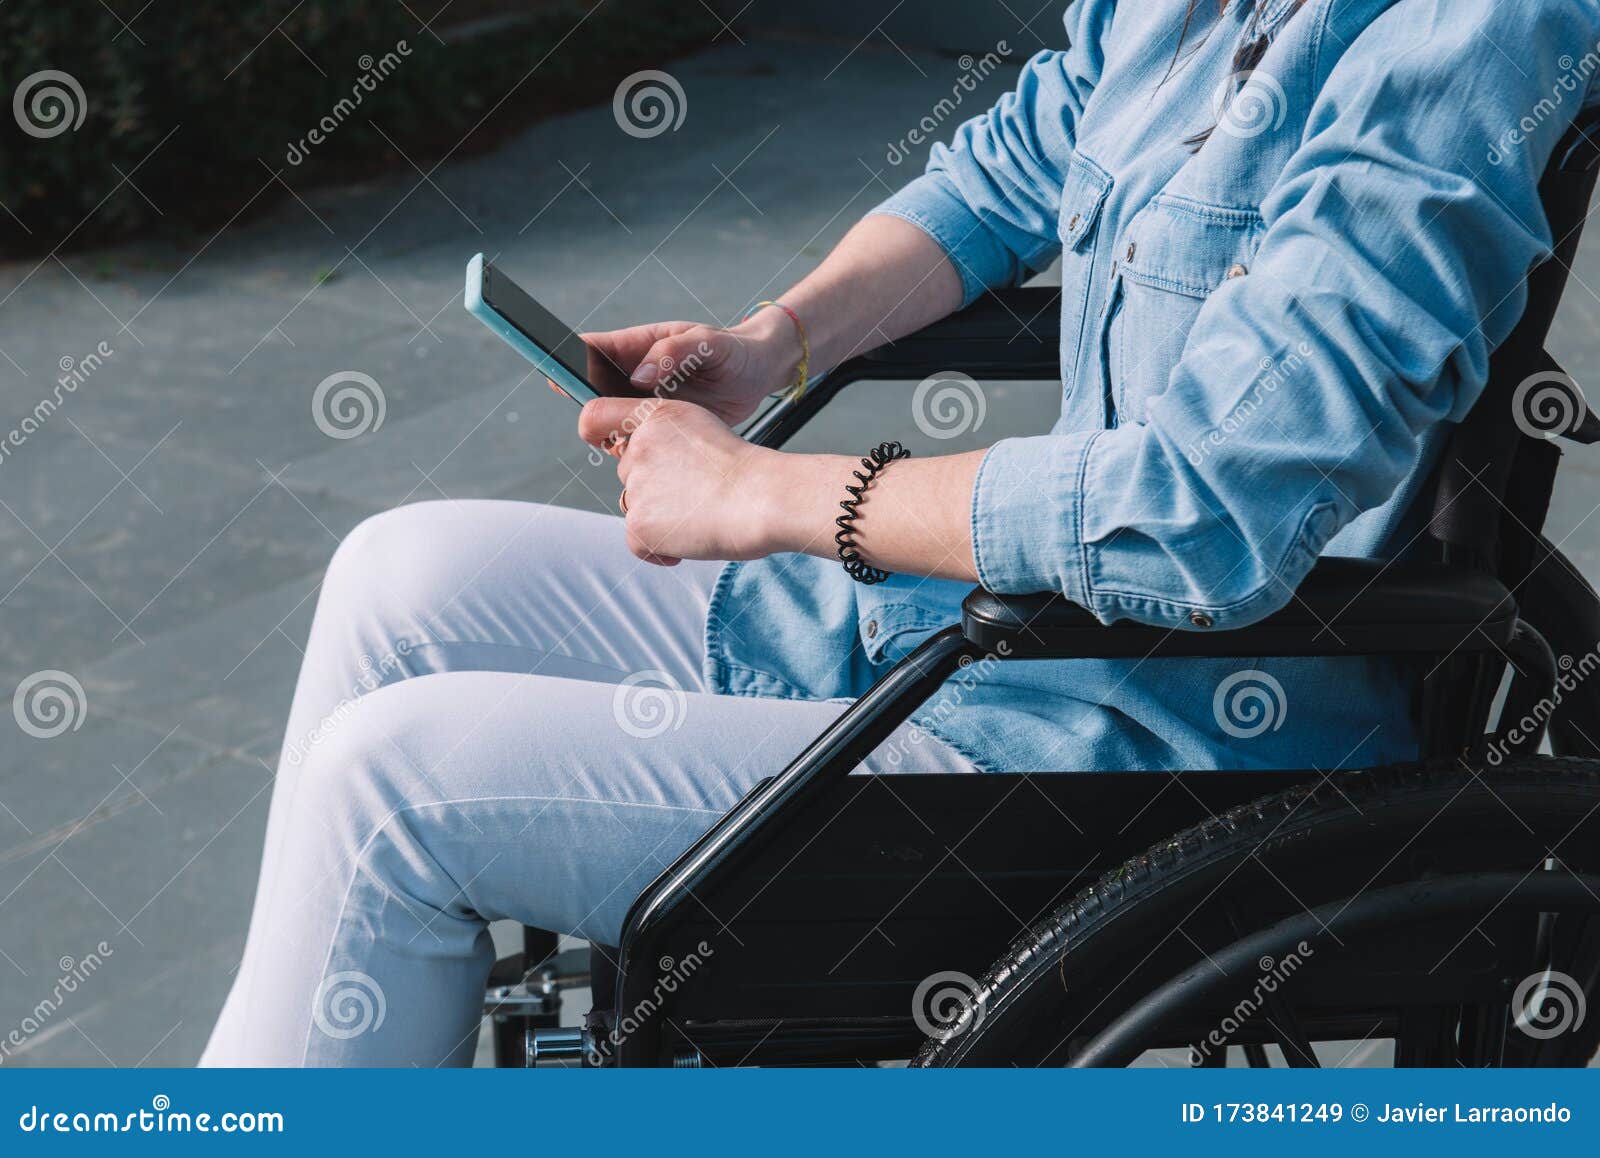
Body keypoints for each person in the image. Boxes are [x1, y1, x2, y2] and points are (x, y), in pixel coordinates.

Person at [202, 0, 1599, 1065]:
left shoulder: (1471, 38)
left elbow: (1208, 514)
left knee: (392, 789)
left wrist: (761, 497)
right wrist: (775, 345)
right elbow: (1023, 155)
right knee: (397, 573)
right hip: (991, 628)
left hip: (1162, 724)